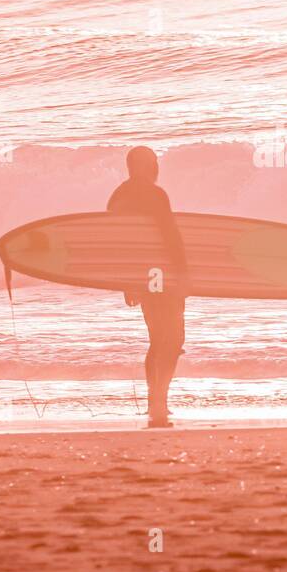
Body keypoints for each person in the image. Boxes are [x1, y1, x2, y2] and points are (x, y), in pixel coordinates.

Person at [107, 147, 189, 427]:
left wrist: (127, 282)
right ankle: (160, 399)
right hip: (163, 274)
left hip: (144, 276)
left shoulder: (118, 197)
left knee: (158, 338)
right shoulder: (156, 195)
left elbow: (117, 244)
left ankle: (154, 399)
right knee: (173, 338)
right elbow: (169, 235)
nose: (157, 167)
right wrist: (183, 272)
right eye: (154, 163)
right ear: (144, 165)